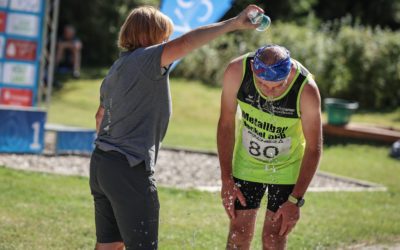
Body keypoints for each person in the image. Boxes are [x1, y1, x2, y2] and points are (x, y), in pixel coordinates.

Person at [90, 4, 263, 250]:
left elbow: (100, 117)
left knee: (109, 245)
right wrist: (234, 22)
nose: (167, 41)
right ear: (148, 36)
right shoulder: (146, 59)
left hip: (102, 164)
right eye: (164, 35)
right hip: (129, 167)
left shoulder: (116, 68)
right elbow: (186, 43)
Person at [217, 44, 322, 249]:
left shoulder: (306, 89)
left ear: (289, 72)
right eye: (262, 84)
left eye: (277, 86)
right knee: (239, 233)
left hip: (287, 166)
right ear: (254, 71)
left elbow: (313, 147)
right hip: (247, 162)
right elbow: (226, 123)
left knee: (273, 238)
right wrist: (226, 178)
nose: (269, 92)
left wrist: (295, 200)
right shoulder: (237, 71)